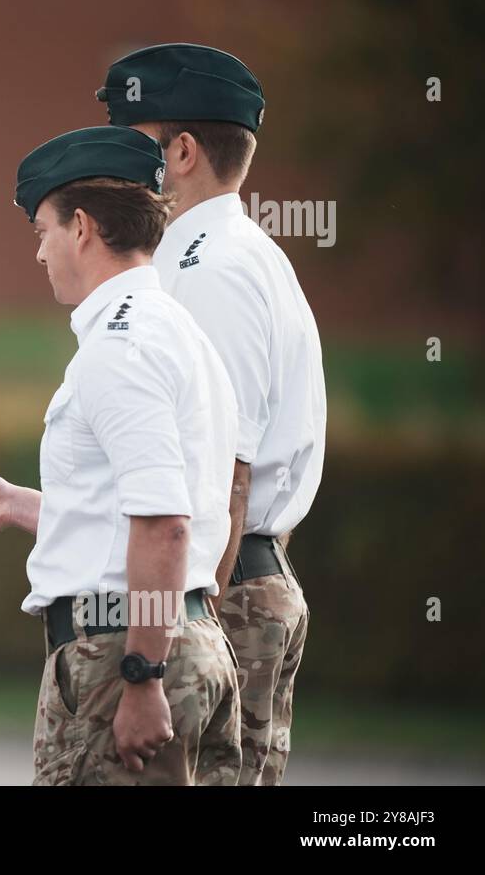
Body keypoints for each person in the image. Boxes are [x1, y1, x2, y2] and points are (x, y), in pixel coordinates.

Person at [0, 126, 241, 785]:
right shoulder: (174, 330)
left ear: (80, 228)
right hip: (179, 635)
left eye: (41, 232)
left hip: (123, 648)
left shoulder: (120, 347)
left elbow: (165, 525)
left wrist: (140, 675)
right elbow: (138, 516)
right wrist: (14, 503)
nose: (39, 253)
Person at [97, 43, 324, 784]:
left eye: (139, 142)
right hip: (243, 574)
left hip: (221, 587)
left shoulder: (208, 268)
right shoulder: (234, 251)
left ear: (182, 151)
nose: (119, 162)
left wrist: (183, 629)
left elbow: (224, 470)